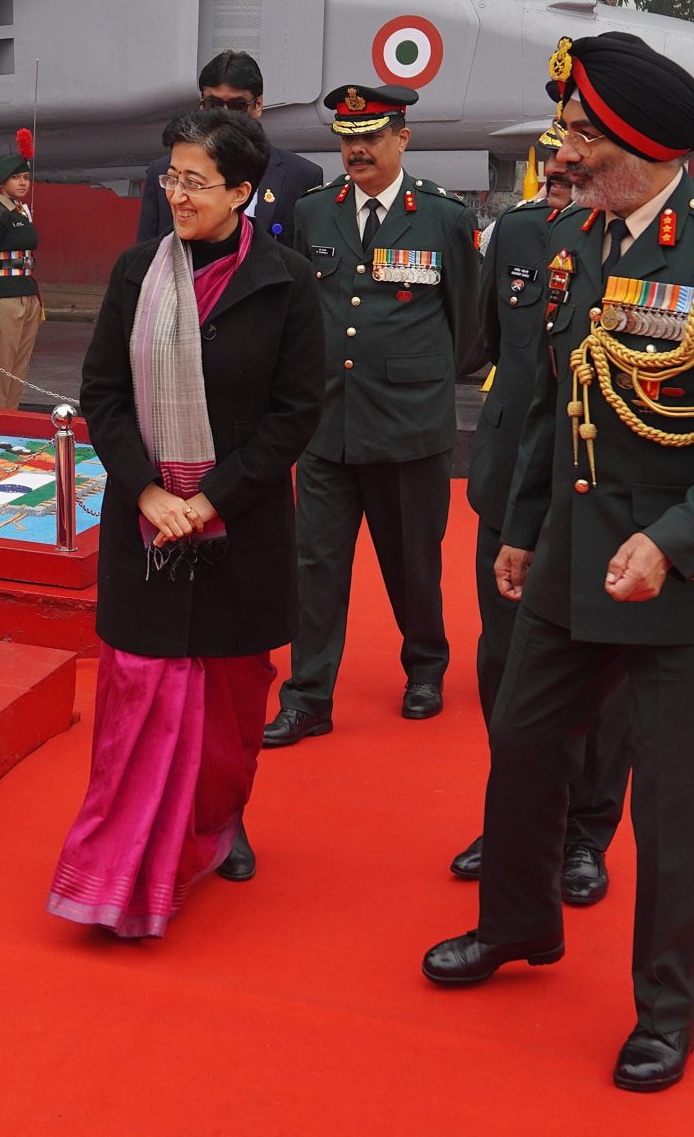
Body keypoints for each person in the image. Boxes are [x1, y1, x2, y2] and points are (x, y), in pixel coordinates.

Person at [421, 33, 694, 1093]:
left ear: (638, 143)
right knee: (524, 737)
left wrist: (672, 538)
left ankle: (665, 1012)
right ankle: (517, 923)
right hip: (576, 555)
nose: (567, 151)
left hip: (692, 582)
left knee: (676, 808)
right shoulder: (574, 243)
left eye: (584, 136)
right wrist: (521, 527)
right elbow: (560, 405)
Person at [48, 108, 324, 938]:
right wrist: (145, 491)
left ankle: (220, 823)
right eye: (171, 177)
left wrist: (209, 499)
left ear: (243, 191)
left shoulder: (285, 282)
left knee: (232, 708)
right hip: (145, 530)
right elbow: (102, 392)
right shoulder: (137, 273)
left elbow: (295, 412)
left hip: (237, 527)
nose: (178, 194)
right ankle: (117, 875)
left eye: (196, 181)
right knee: (134, 698)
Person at [263, 83, 479, 747]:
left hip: (409, 428)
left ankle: (424, 670)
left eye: (371, 136)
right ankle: (308, 697)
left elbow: (470, 328)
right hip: (329, 425)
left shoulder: (442, 216)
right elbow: (301, 314)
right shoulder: (314, 212)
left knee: (412, 560)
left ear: (402, 138)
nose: (356, 149)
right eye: (347, 138)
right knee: (316, 564)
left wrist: (417, 378)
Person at [452, 133, 634, 902]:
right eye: (553, 168)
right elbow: (487, 345)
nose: (564, 178)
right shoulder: (519, 234)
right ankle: (519, 818)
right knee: (507, 668)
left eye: (575, 164)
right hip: (511, 482)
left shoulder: (637, 241)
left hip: (602, 492)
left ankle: (584, 834)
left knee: (601, 677)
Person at [136, 50, 324, 248]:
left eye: (237, 105)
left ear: (258, 104)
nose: (224, 117)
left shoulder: (302, 176)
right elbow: (147, 259)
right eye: (213, 104)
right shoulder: (163, 174)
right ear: (201, 106)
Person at [0, 130, 42, 410]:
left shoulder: (21, 212)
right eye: (16, 178)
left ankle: (10, 424)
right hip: (3, 301)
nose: (23, 183)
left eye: (26, 178)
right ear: (3, 182)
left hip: (27, 297)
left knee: (17, 370)